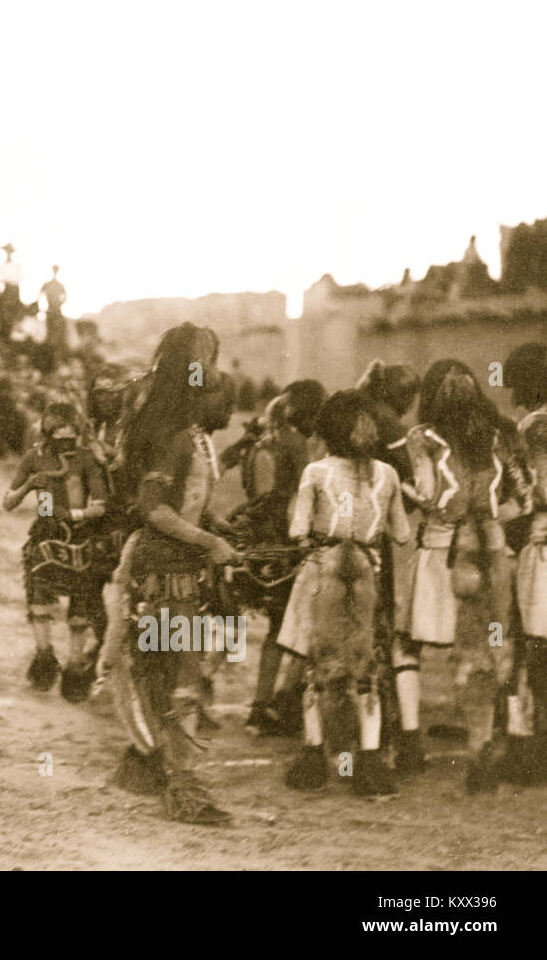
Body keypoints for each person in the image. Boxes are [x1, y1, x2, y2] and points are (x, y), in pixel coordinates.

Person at [97, 322, 237, 824]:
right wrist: (209, 541)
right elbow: (154, 508)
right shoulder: (178, 439)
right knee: (178, 669)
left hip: (178, 564)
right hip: (163, 565)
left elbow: (181, 504)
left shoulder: (196, 440)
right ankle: (181, 783)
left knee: (171, 665)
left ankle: (150, 762)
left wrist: (216, 527)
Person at [392, 360, 531, 790]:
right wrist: (489, 517)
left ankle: (411, 739)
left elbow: (431, 495)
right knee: (491, 650)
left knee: (407, 644)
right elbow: (524, 500)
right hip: (493, 556)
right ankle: (488, 747)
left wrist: (401, 490)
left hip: (441, 556)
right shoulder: (502, 432)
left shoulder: (422, 437)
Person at [276, 391, 412, 795]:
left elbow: (298, 531)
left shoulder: (315, 472)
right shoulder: (387, 474)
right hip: (368, 575)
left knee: (319, 669)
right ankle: (368, 764)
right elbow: (402, 534)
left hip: (323, 574)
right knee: (367, 671)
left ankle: (314, 757)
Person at [224, 379, 326, 736]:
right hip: (287, 544)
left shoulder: (258, 445)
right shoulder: (298, 447)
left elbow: (258, 499)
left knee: (275, 628)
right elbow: (290, 502)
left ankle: (262, 704)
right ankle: (284, 701)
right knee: (301, 626)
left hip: (261, 546)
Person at [3, 401, 109, 701]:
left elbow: (100, 506)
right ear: (48, 436)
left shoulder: (87, 459)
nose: (67, 445)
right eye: (60, 438)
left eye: (71, 438)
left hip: (79, 537)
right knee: (38, 597)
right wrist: (28, 487)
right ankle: (44, 655)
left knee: (80, 605)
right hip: (45, 535)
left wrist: (73, 516)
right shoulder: (34, 458)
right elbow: (8, 502)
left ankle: (75, 667)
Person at [495, 343, 547, 784]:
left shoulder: (527, 430)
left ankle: (525, 751)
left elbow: (523, 498)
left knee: (527, 650)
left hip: (538, 549)